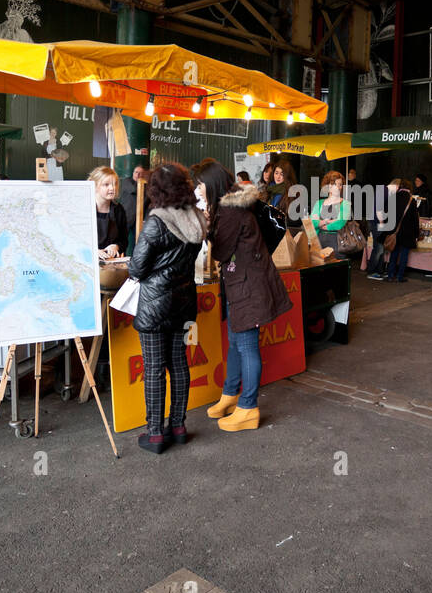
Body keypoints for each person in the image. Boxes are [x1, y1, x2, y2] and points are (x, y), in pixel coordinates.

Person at [192, 158, 292, 433]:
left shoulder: (230, 210)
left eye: (199, 185)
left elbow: (221, 252)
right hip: (242, 283)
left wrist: (206, 226)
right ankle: (230, 395)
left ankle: (248, 408)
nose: (197, 190)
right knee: (236, 342)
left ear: (211, 184)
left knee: (246, 345)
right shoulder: (230, 205)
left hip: (249, 285)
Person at [126, 162, 207, 453]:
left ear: (157, 190)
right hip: (185, 303)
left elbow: (136, 268)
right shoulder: (197, 220)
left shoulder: (156, 221)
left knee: (155, 369)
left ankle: (156, 433)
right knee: (180, 364)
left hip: (155, 307)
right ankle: (179, 426)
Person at [89, 166, 129, 259]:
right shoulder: (84, 208)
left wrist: (116, 246)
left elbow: (124, 240)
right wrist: (93, 251)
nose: (112, 188)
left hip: (109, 264)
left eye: (115, 184)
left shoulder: (119, 210)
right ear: (95, 186)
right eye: (106, 184)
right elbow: (74, 241)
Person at [386, 179, 419, 283]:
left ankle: (390, 275)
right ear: (409, 188)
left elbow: (387, 215)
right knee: (404, 255)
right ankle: (400, 276)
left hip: (394, 231)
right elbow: (415, 220)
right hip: (407, 233)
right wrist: (416, 234)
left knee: (394, 254)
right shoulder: (411, 200)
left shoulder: (392, 198)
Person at [309, 170, 350, 252]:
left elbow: (339, 223)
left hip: (337, 242)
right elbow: (311, 222)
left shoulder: (345, 204)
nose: (338, 187)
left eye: (340, 184)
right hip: (318, 242)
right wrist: (327, 221)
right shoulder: (319, 203)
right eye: (335, 184)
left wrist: (321, 224)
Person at [119, 165, 148, 255]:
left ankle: (135, 260)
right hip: (126, 217)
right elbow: (134, 189)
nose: (138, 175)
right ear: (133, 173)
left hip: (139, 218)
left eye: (141, 173)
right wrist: (145, 185)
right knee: (121, 241)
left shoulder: (146, 186)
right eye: (136, 172)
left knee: (140, 243)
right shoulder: (126, 181)